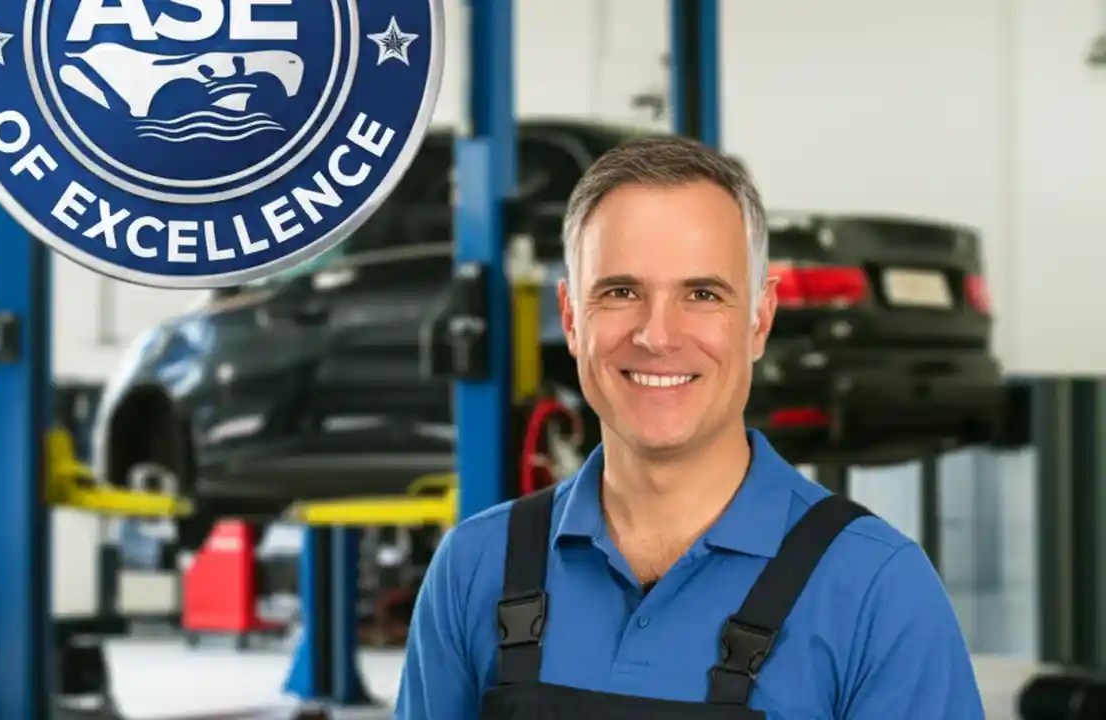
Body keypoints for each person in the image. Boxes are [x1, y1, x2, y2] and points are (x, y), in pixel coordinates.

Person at [392, 135, 984, 719]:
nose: (658, 336)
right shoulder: (475, 567)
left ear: (759, 320)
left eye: (702, 293)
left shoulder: (875, 589)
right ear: (571, 318)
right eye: (621, 291)